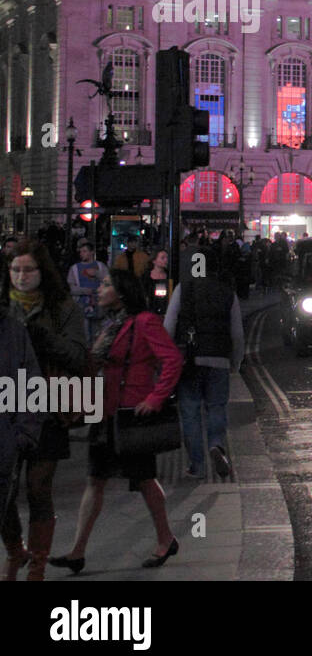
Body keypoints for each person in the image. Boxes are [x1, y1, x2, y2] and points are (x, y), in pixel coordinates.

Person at [49, 269, 184, 573]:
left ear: (121, 292)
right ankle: (77, 551)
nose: (100, 290)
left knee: (144, 479)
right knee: (95, 479)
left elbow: (172, 359)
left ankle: (165, 539)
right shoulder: (111, 325)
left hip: (131, 415)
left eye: (107, 285)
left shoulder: (145, 322)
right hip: (106, 412)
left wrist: (155, 398)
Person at [1, 240, 88, 580]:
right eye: (15, 270)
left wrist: (41, 338)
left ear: (42, 271)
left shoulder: (62, 307)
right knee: (5, 491)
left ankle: (37, 562)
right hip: (7, 405)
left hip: (47, 406)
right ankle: (14, 550)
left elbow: (79, 356)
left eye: (28, 269)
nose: (22, 277)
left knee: (38, 487)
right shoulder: (4, 307)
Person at [164, 250, 244, 479]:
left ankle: (196, 465)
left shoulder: (183, 289)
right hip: (219, 360)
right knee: (216, 407)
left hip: (189, 359)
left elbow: (168, 327)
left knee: (189, 410)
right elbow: (237, 334)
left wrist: (167, 359)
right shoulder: (228, 293)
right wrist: (235, 362)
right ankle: (216, 444)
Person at [0, 313, 41, 578]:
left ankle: (17, 553)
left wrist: (25, 432)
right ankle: (16, 551)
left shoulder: (11, 330)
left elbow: (28, 382)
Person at [67, 239, 109, 344]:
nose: (82, 254)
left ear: (92, 252)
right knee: (84, 333)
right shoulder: (74, 268)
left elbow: (109, 282)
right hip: (81, 305)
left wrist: (97, 274)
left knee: (97, 333)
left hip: (98, 305)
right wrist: (85, 291)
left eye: (85, 251)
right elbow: (71, 288)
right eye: (81, 252)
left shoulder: (100, 267)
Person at [140, 248, 170, 315]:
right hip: (150, 311)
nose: (166, 260)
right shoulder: (146, 277)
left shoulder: (170, 275)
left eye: (167, 257)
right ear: (154, 261)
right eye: (162, 258)